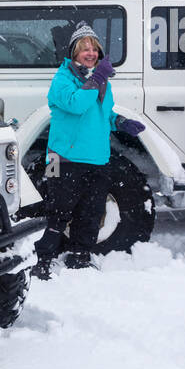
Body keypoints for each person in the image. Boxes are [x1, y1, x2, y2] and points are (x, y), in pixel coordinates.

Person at [30, 23, 146, 279]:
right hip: (60, 158)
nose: (91, 53)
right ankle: (43, 259)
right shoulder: (62, 79)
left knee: (91, 212)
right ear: (74, 53)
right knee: (57, 211)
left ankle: (80, 256)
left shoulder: (98, 82)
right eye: (84, 48)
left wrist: (120, 122)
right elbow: (76, 105)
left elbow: (100, 113)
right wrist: (98, 78)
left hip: (97, 157)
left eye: (94, 48)